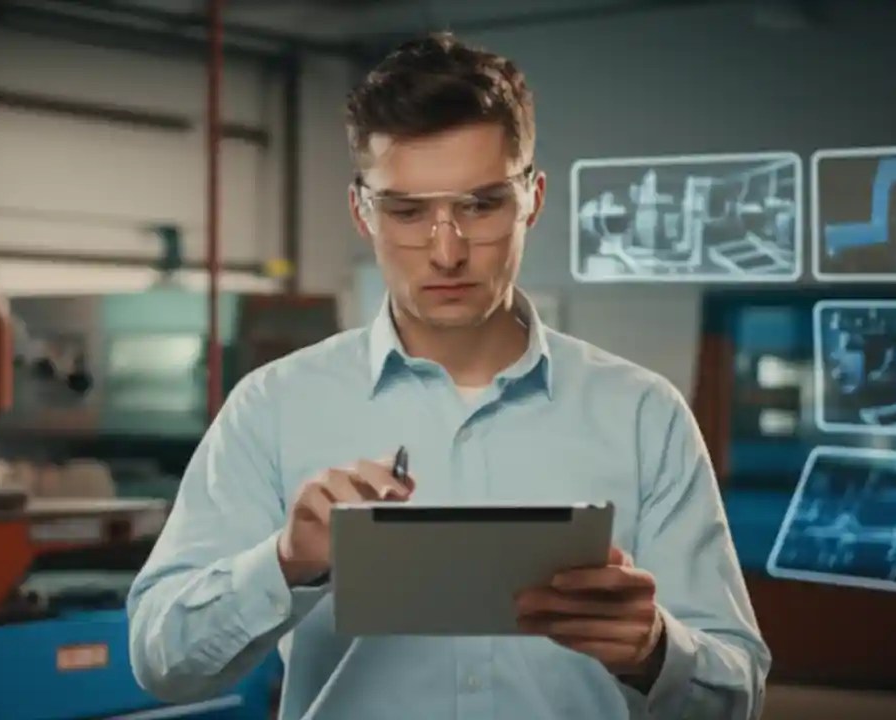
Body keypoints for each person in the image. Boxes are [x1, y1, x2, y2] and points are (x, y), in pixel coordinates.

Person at [127, 32, 770, 720]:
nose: (447, 250)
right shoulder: (273, 406)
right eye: (408, 212)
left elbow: (739, 694)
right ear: (361, 210)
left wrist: (654, 650)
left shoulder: (644, 414)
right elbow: (162, 662)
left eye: (480, 206)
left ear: (533, 198)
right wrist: (286, 563)